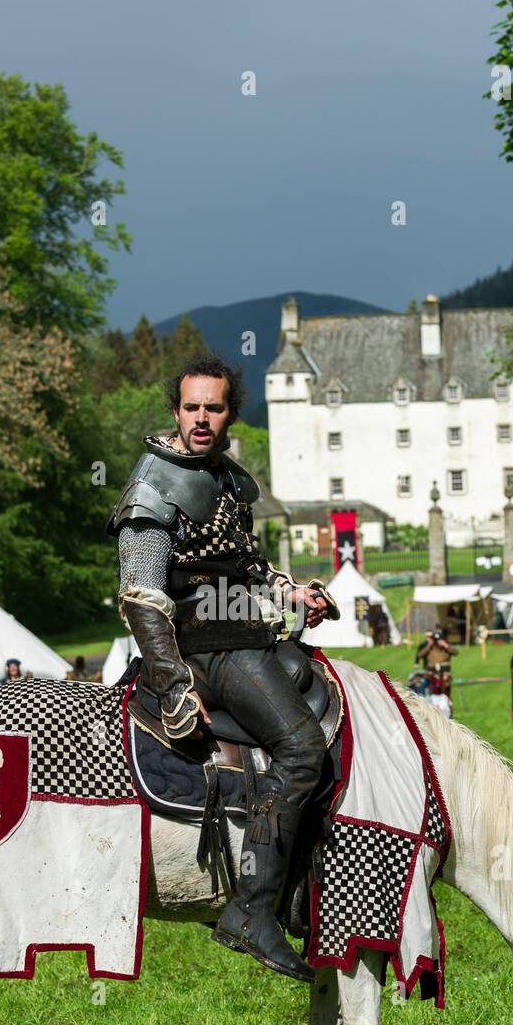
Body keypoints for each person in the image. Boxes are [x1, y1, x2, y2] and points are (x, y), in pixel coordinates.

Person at [107, 355, 336, 983]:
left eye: (214, 407)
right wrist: (173, 685)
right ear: (175, 411)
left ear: (230, 412)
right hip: (205, 651)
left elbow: (247, 571)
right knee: (301, 748)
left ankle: (300, 886)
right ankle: (253, 908)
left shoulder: (229, 480)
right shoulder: (153, 485)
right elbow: (143, 598)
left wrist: (293, 594)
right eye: (191, 407)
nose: (201, 419)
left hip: (247, 632)